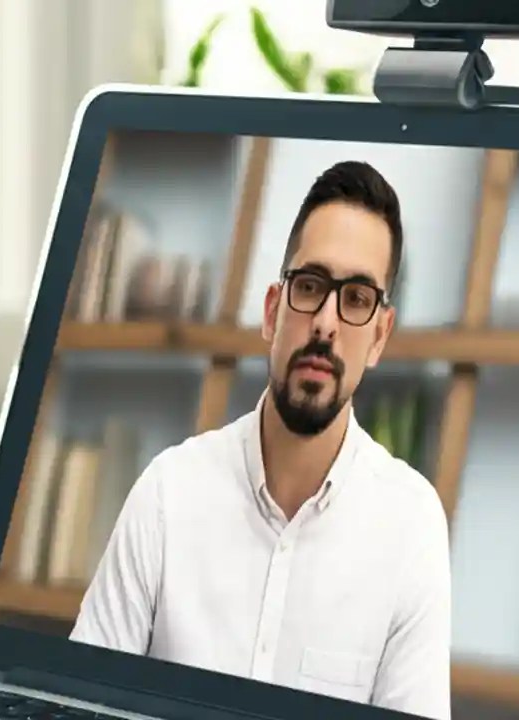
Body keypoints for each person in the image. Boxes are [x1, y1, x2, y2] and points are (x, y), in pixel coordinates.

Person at [69, 160, 452, 720]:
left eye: (355, 299)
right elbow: (79, 705)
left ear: (378, 337)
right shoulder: (169, 492)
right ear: (273, 311)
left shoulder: (411, 524)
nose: (325, 323)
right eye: (310, 286)